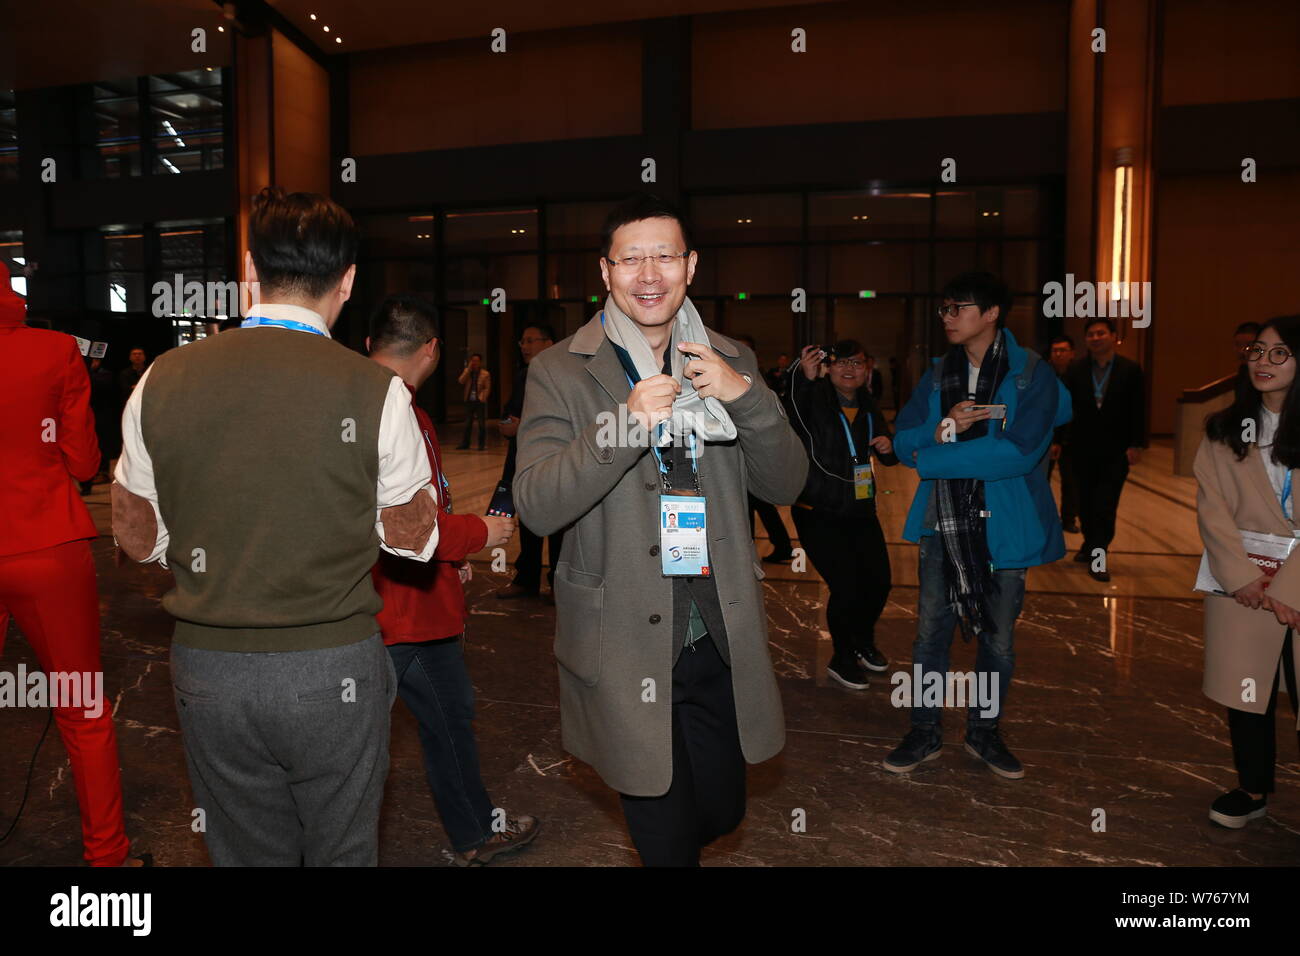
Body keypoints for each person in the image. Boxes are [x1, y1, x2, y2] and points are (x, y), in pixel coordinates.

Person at [112, 187, 440, 866]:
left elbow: (136, 534)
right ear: (347, 280)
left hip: (210, 668)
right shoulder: (375, 390)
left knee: (241, 851)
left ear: (250, 267)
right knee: (342, 850)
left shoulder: (163, 379)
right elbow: (415, 538)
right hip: (333, 667)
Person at [513, 193, 808, 866]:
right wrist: (624, 427)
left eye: (665, 256)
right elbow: (536, 504)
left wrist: (747, 398)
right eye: (632, 258)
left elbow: (786, 484)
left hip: (718, 630)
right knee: (667, 839)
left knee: (723, 809)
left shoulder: (728, 358)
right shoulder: (560, 369)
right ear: (606, 271)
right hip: (622, 642)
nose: (650, 274)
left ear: (691, 265)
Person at [366, 294, 539, 865]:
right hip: (395, 609)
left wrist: (444, 554)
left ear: (370, 346)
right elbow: (408, 522)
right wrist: (477, 535)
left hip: (407, 602)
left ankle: (474, 832)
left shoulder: (363, 405)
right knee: (359, 746)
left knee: (450, 719)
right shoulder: (398, 412)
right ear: (434, 349)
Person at [886, 271, 1071, 780]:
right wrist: (945, 428)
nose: (947, 317)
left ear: (990, 314)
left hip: (1005, 527)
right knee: (929, 636)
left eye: (958, 308)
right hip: (940, 524)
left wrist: (933, 458)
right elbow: (902, 441)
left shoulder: (1031, 373)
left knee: (998, 640)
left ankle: (983, 732)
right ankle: (924, 729)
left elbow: (1018, 453)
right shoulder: (937, 372)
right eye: (944, 308)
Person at [0, 282, 145, 867]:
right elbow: (84, 460)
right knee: (82, 709)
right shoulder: (56, 350)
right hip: (45, 543)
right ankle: (107, 859)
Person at [1195, 315, 1300, 828]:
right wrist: (1239, 576)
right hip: (1244, 583)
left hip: (1296, 582)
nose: (1264, 361)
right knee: (1247, 692)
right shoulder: (1223, 428)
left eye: (1280, 353)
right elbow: (1211, 508)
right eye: (1258, 350)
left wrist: (1291, 587)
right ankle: (1252, 787)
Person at [786, 338, 899, 690]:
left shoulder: (867, 405)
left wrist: (888, 447)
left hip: (861, 509)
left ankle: (863, 642)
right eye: (841, 362)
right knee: (847, 586)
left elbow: (888, 454)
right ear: (828, 368)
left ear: (868, 371)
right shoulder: (812, 399)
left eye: (858, 363)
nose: (849, 369)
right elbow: (787, 405)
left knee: (879, 582)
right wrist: (802, 376)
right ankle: (842, 657)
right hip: (818, 509)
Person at [1063, 317, 1146, 582]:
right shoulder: (1075, 370)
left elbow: (1139, 410)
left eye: (1101, 333)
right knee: (1085, 504)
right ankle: (1090, 544)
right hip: (1081, 449)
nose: (1096, 338)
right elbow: (1065, 410)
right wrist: (1058, 441)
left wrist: (1136, 444)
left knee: (1106, 505)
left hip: (1116, 451)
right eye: (1091, 334)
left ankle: (1099, 558)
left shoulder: (1130, 370)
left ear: (1113, 337)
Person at [495, 323, 566, 602]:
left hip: (554, 460)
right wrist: (506, 425)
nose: (524, 346)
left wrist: (520, 426)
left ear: (548, 343)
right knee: (528, 521)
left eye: (530, 340)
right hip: (523, 460)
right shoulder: (524, 375)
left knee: (559, 523)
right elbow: (508, 414)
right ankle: (527, 579)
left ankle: (558, 582)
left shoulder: (561, 375)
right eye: (521, 341)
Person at [733, 334, 795, 563]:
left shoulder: (759, 381)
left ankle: (759, 551)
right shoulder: (724, 378)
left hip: (756, 457)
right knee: (752, 507)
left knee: (758, 506)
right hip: (738, 456)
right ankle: (773, 548)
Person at [1047, 334, 1079, 533]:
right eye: (1055, 350)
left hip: (1071, 437)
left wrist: (1062, 439)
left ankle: (1068, 519)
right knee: (1042, 481)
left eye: (1063, 350)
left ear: (1072, 353)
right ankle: (1045, 519)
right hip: (1047, 438)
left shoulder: (1079, 375)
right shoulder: (1043, 376)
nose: (1058, 354)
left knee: (1071, 482)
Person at [456, 354, 491, 450]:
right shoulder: (468, 372)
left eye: (477, 361)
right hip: (469, 401)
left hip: (479, 401)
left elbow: (487, 388)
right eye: (473, 361)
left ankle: (481, 445)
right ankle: (465, 444)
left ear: (480, 362)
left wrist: (482, 398)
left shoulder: (485, 374)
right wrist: (468, 369)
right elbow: (460, 381)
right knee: (467, 424)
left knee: (481, 424)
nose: (475, 363)